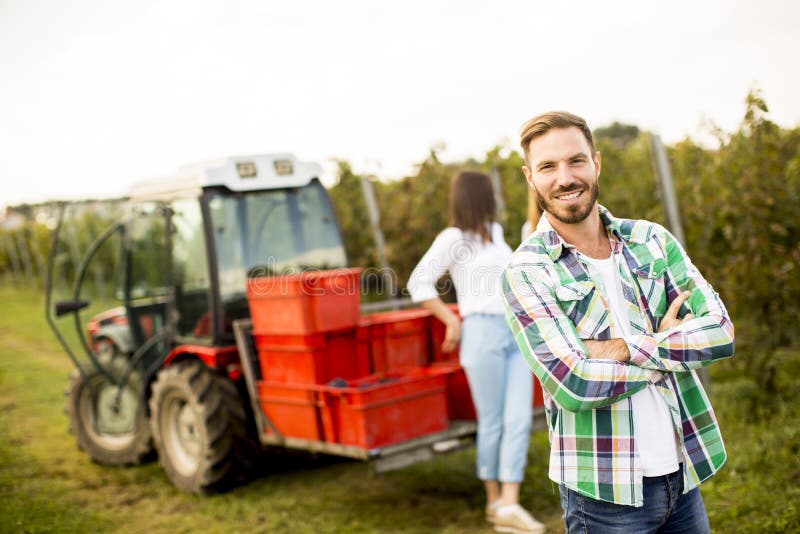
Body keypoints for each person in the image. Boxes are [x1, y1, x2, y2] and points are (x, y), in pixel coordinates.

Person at [502, 111, 734, 533]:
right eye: (547, 167)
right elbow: (573, 383)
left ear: (597, 162)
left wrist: (624, 347)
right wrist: (667, 346)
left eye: (576, 161)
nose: (565, 178)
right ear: (530, 177)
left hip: (682, 473)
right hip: (603, 496)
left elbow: (720, 331)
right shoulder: (527, 271)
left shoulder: (651, 240)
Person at [408, 170, 546, 534]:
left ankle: (510, 503)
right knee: (494, 421)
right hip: (480, 331)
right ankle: (493, 500)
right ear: (479, 196)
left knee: (519, 419)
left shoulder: (496, 234)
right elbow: (418, 282)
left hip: (513, 331)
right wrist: (451, 322)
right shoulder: (454, 239)